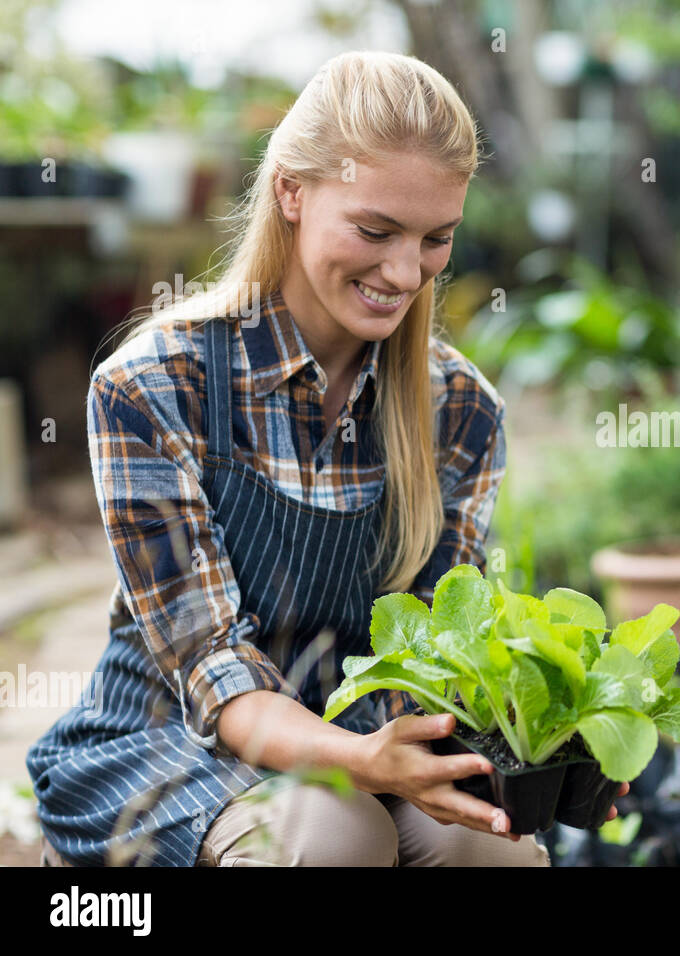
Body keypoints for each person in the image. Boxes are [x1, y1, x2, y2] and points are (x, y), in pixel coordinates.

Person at [27, 50, 623, 867]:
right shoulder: (157, 385)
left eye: (435, 238)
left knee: (496, 854)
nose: (405, 271)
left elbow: (441, 648)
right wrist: (360, 765)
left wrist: (562, 744)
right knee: (337, 835)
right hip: (167, 747)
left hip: (363, 741)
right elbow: (215, 667)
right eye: (375, 231)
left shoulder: (460, 411)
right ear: (292, 192)